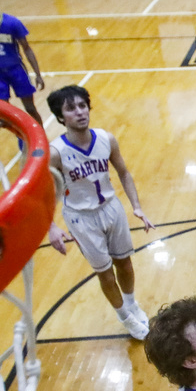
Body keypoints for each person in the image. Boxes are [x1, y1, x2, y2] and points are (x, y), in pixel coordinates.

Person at [47, 85, 153, 340]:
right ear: (61, 117)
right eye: (71, 108)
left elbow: (124, 173)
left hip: (111, 207)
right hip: (81, 218)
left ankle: (131, 304)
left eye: (83, 106)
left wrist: (136, 206)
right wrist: (51, 226)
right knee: (104, 271)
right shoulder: (55, 153)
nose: (80, 112)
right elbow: (44, 193)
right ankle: (125, 318)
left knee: (125, 263)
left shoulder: (107, 139)